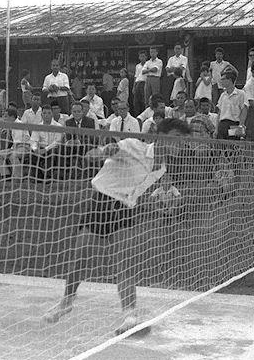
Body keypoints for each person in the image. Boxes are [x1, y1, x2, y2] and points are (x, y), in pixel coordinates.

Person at [42, 118, 192, 334]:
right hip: (100, 203)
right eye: (177, 139)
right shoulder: (134, 146)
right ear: (160, 136)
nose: (181, 145)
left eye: (184, 141)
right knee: (80, 259)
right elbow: (112, 150)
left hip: (124, 209)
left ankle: (130, 316)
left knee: (126, 263)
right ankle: (67, 301)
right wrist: (104, 150)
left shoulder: (161, 169)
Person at [0, 107, 31, 181]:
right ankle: (6, 175)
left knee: (13, 155)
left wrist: (9, 151)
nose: (4, 118)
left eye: (6, 116)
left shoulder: (18, 125)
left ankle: (18, 177)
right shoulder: (12, 125)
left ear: (12, 117)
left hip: (25, 148)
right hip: (17, 147)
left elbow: (17, 143)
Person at [216, 70, 248, 140]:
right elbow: (219, 112)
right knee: (221, 147)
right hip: (222, 124)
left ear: (230, 80)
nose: (221, 81)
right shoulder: (223, 95)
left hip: (234, 123)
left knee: (232, 146)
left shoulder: (241, 94)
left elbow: (244, 110)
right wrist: (216, 128)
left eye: (223, 79)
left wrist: (241, 125)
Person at [132, 51, 148, 116]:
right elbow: (136, 76)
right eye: (141, 56)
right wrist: (134, 87)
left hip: (145, 83)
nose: (142, 58)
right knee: (136, 102)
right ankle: (137, 116)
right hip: (138, 83)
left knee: (143, 101)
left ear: (146, 57)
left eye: (143, 56)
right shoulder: (137, 66)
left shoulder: (148, 64)